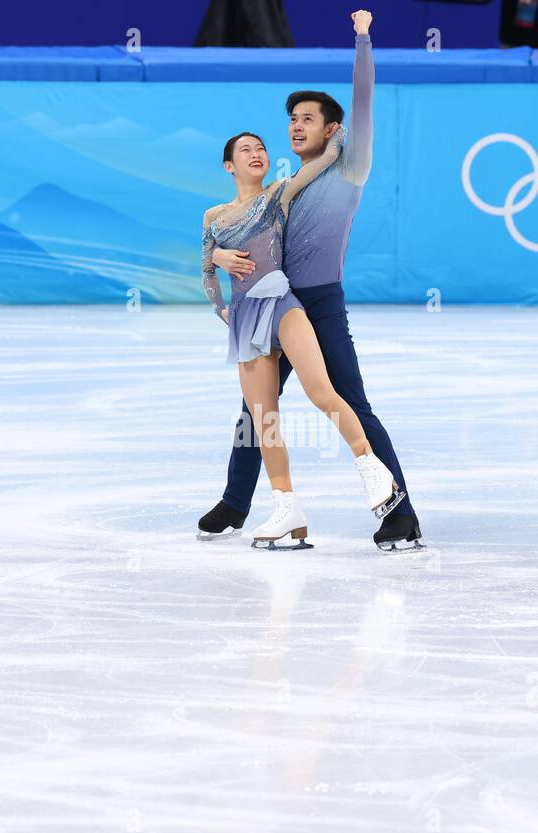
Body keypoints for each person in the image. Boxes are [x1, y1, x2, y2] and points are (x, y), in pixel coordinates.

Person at [199, 8, 424, 552]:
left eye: (307, 118)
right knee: (254, 412)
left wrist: (364, 40)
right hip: (268, 305)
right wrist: (219, 260)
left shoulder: (351, 163)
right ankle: (236, 500)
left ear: (333, 128)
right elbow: (228, 236)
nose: (296, 125)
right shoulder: (281, 187)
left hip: (317, 304)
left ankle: (400, 512)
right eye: (292, 119)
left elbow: (364, 98)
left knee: (349, 400)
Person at [201, 127, 402, 550]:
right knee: (262, 418)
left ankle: (371, 469)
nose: (256, 153)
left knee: (321, 390)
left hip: (282, 303)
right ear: (228, 164)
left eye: (260, 148)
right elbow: (205, 269)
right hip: (245, 316)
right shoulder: (214, 216)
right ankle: (286, 505)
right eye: (245, 150)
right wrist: (222, 299)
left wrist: (338, 133)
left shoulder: (278, 194)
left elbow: (323, 162)